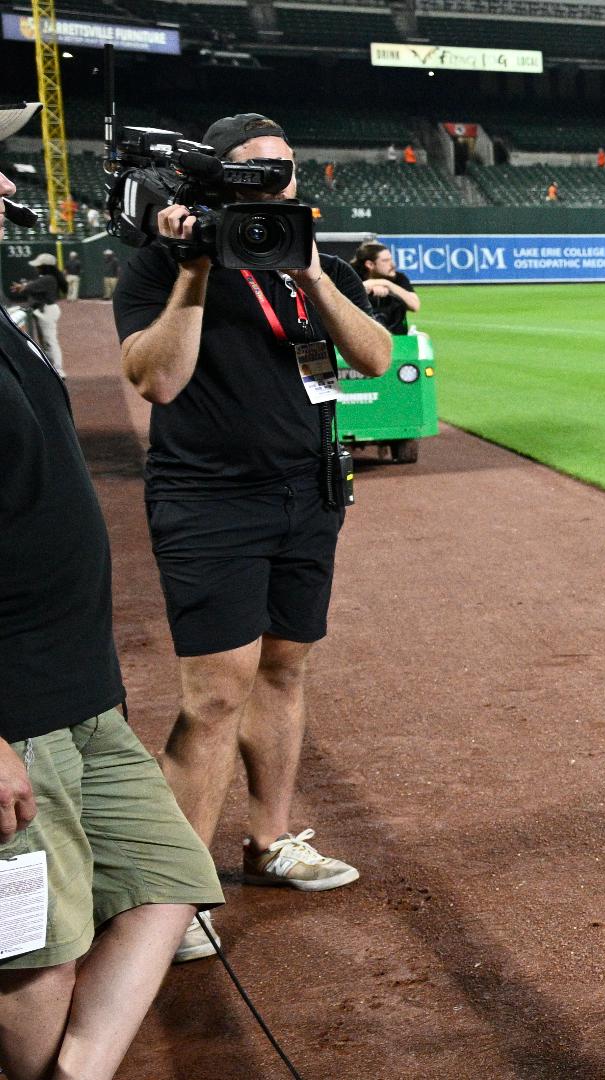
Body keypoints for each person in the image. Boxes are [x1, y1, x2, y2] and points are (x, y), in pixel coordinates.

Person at [113, 113, 392, 964]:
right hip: (211, 499)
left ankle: (270, 844)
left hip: (308, 492)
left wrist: (311, 270)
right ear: (218, 179)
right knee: (215, 694)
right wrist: (197, 266)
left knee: (284, 666)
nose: (275, 183)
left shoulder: (315, 262)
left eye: (287, 168)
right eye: (257, 170)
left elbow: (377, 357)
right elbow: (157, 379)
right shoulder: (162, 265)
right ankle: (180, 890)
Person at [0, 165, 225, 1080]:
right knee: (33, 954)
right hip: (13, 707)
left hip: (82, 698)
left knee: (172, 878)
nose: (9, 178)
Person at [8, 253, 64, 375]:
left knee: (50, 341)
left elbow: (30, 287)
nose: (37, 267)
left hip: (47, 310)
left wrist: (22, 287)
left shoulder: (48, 278)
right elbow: (31, 286)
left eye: (40, 265)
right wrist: (23, 286)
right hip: (44, 310)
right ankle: (51, 368)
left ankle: (58, 370)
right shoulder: (46, 277)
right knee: (45, 341)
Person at [351, 241, 420, 335]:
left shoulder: (399, 278)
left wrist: (386, 284)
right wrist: (367, 288)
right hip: (360, 334)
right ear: (370, 264)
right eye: (385, 261)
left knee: (423, 338)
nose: (392, 265)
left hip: (397, 335)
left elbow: (415, 305)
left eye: (391, 259)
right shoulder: (352, 276)